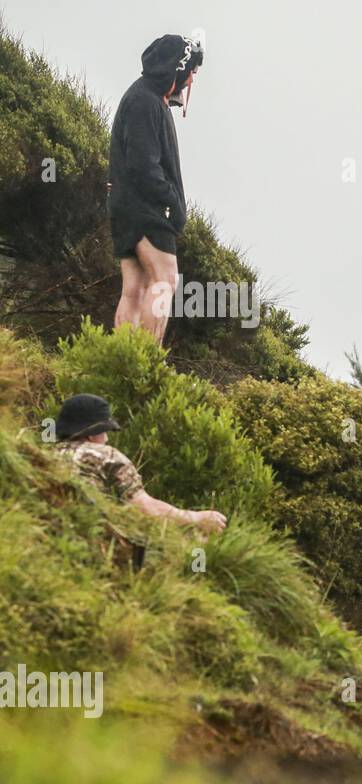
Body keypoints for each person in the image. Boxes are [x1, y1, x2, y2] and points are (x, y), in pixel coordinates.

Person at [107, 34, 204, 344]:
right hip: (146, 210)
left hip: (126, 206)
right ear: (177, 70)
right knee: (163, 281)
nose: (190, 81)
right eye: (190, 72)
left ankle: (124, 363)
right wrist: (172, 203)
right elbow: (143, 165)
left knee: (134, 289)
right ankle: (146, 362)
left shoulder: (144, 97)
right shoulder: (145, 102)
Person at [51, 394, 226, 534]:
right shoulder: (106, 455)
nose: (107, 438)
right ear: (92, 433)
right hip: (89, 538)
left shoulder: (47, 455)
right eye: (105, 431)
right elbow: (144, 508)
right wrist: (196, 518)